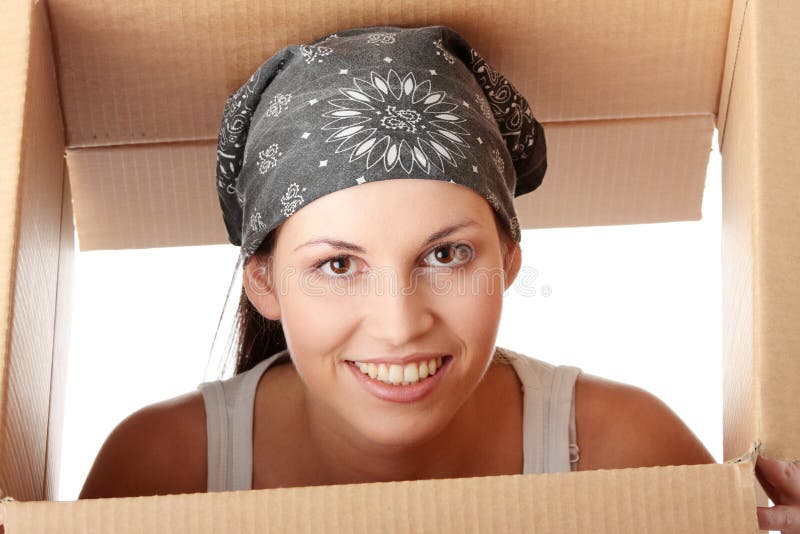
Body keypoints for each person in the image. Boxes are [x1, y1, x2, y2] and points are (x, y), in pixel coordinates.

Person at [76, 25, 799, 532]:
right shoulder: (163, 465)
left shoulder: (625, 452)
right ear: (263, 281)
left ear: (510, 257)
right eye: (337, 265)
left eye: (446, 255)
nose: (399, 324)